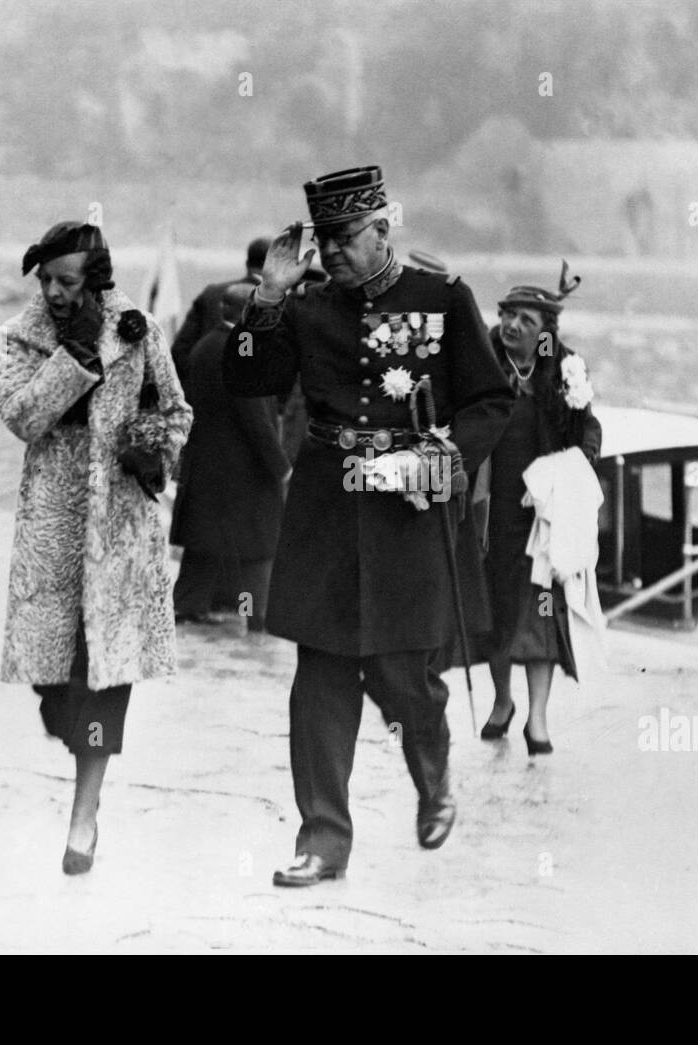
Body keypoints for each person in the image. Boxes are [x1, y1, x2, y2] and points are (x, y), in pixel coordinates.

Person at [224, 165, 513, 886]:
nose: (334, 253)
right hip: (326, 507)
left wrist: (441, 456)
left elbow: (490, 402)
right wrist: (268, 295)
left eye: (346, 238)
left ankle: (432, 765)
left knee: (399, 670)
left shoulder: (440, 299)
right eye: (324, 241)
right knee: (320, 673)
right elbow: (245, 379)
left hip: (406, 513)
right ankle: (323, 838)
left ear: (383, 228)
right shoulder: (306, 307)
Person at [0, 221, 191, 874]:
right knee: (54, 690)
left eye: (66, 281)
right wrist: (72, 363)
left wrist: (150, 442)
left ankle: (85, 812)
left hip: (121, 532)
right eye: (46, 279)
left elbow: (178, 410)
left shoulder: (139, 327)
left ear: (96, 280)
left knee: (103, 679)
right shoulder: (25, 335)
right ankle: (70, 738)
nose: (52, 292)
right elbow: (21, 417)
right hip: (53, 532)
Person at [477, 273, 602, 754]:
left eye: (524, 320)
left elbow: (588, 426)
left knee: (540, 612)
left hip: (544, 511)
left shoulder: (566, 368)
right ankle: (502, 701)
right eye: (507, 314)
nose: (511, 325)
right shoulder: (484, 359)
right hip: (493, 506)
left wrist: (582, 461)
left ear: (544, 331)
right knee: (497, 610)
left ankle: (539, 720)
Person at [171, 282, 289, 630]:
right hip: (243, 471)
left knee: (203, 545)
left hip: (207, 464)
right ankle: (254, 615)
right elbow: (256, 419)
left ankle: (187, 606)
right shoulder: (243, 350)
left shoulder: (205, 345)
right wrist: (281, 468)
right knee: (255, 551)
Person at [171, 236, 270, 382]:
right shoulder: (278, 303)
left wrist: (201, 386)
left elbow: (180, 350)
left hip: (204, 394)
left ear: (247, 264)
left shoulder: (211, 294)